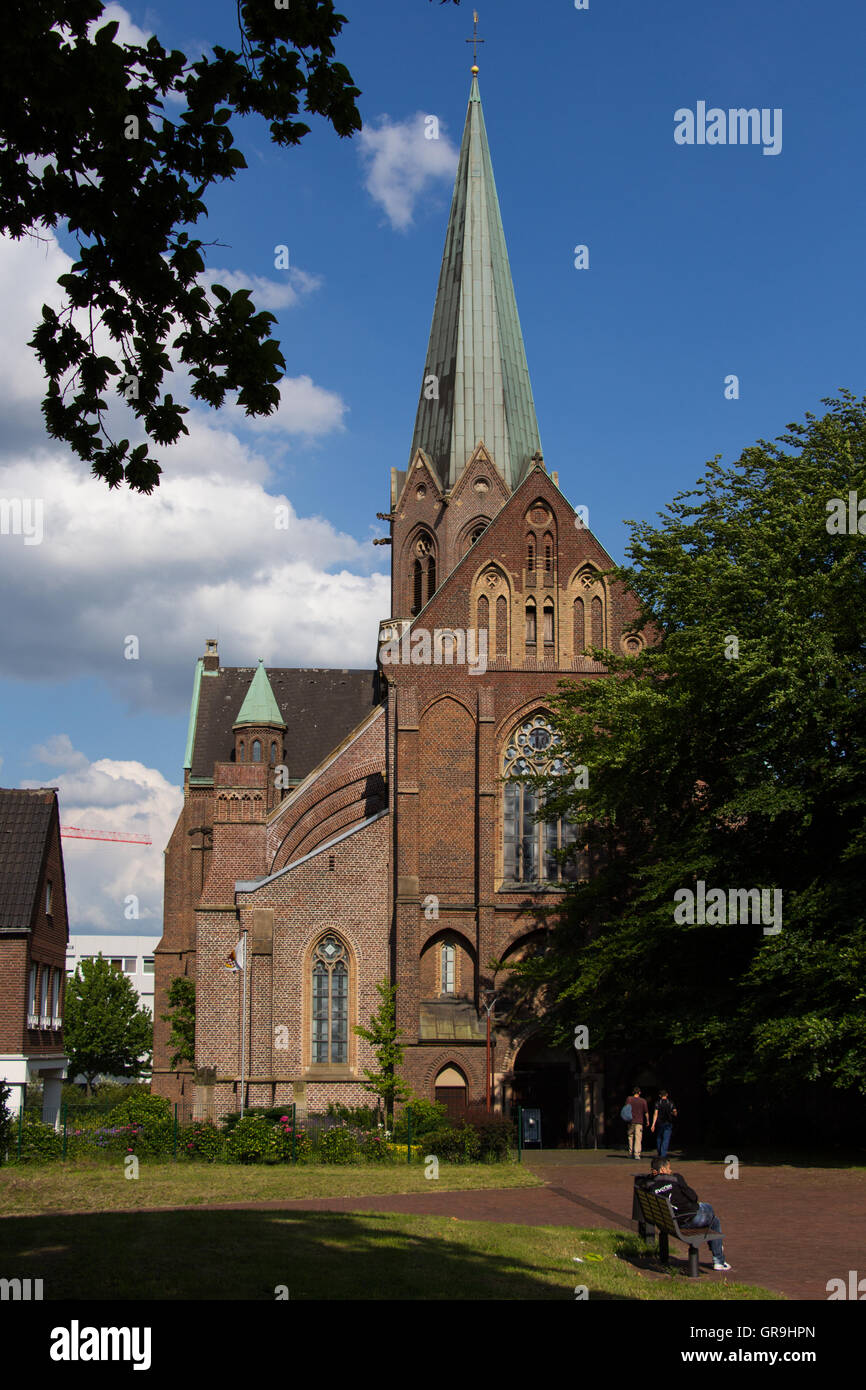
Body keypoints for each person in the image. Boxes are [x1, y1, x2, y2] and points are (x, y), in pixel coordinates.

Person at [647, 1157, 731, 1271]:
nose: (670, 1171)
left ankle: (717, 1249)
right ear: (662, 1169)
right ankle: (718, 1259)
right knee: (712, 1217)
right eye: (668, 1168)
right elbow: (693, 1197)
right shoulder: (675, 1178)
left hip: (671, 1223)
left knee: (710, 1217)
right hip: (690, 1219)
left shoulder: (651, 1188)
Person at [650, 1089, 677, 1158]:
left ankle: (660, 1152)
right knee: (666, 1138)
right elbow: (675, 1112)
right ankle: (663, 1154)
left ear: (660, 1095)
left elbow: (655, 1114)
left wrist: (653, 1124)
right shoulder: (670, 1102)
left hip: (660, 1122)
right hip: (668, 1122)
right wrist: (673, 1113)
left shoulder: (658, 1103)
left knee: (659, 1137)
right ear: (667, 1095)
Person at [625, 1086, 648, 1159]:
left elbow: (626, 1109)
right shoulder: (643, 1101)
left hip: (631, 1121)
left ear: (633, 1092)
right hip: (639, 1121)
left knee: (630, 1137)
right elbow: (646, 1112)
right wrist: (647, 1120)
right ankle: (637, 1153)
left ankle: (630, 1153)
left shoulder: (629, 1099)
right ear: (639, 1093)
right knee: (638, 1138)